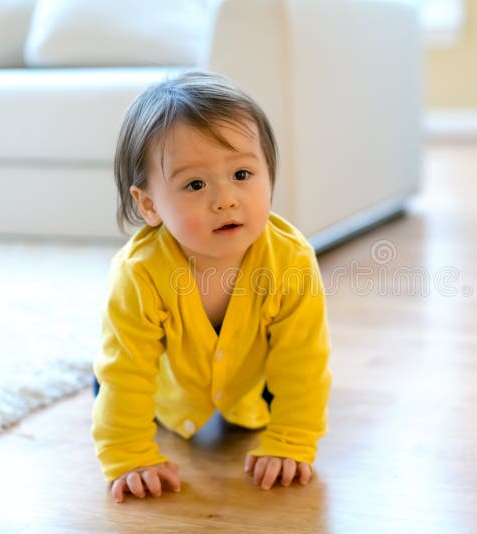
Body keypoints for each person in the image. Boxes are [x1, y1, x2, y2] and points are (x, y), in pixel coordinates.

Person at [92, 71, 332, 503]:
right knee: (111, 373)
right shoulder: (139, 274)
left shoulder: (291, 261)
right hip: (167, 390)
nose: (225, 198)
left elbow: (303, 359)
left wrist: (291, 439)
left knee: (280, 375)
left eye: (242, 173)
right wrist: (129, 454)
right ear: (149, 205)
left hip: (249, 379)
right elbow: (126, 373)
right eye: (195, 184)